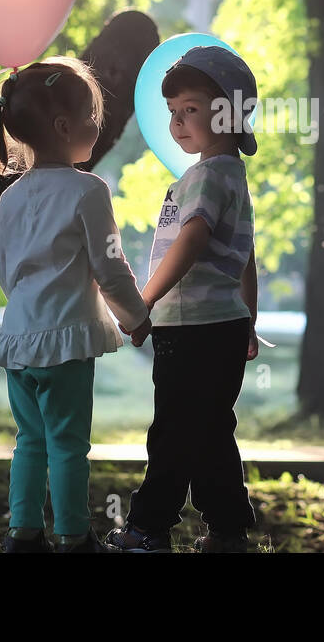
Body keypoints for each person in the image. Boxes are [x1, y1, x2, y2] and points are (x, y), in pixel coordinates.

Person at [0, 56, 152, 553]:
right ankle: (74, 536)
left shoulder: (9, 199)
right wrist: (137, 318)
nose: (97, 125)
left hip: (19, 338)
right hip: (66, 341)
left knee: (29, 441)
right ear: (63, 126)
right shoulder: (88, 190)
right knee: (68, 443)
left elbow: (6, 275)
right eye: (90, 116)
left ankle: (22, 534)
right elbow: (110, 268)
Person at [105, 46, 260, 553]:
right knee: (211, 431)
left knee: (174, 431)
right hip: (220, 325)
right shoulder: (229, 175)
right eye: (173, 111)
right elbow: (246, 258)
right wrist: (248, 320)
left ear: (228, 113)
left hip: (194, 327)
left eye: (189, 109)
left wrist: (143, 302)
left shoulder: (209, 176)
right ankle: (228, 532)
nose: (176, 122)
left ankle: (147, 530)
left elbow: (192, 241)